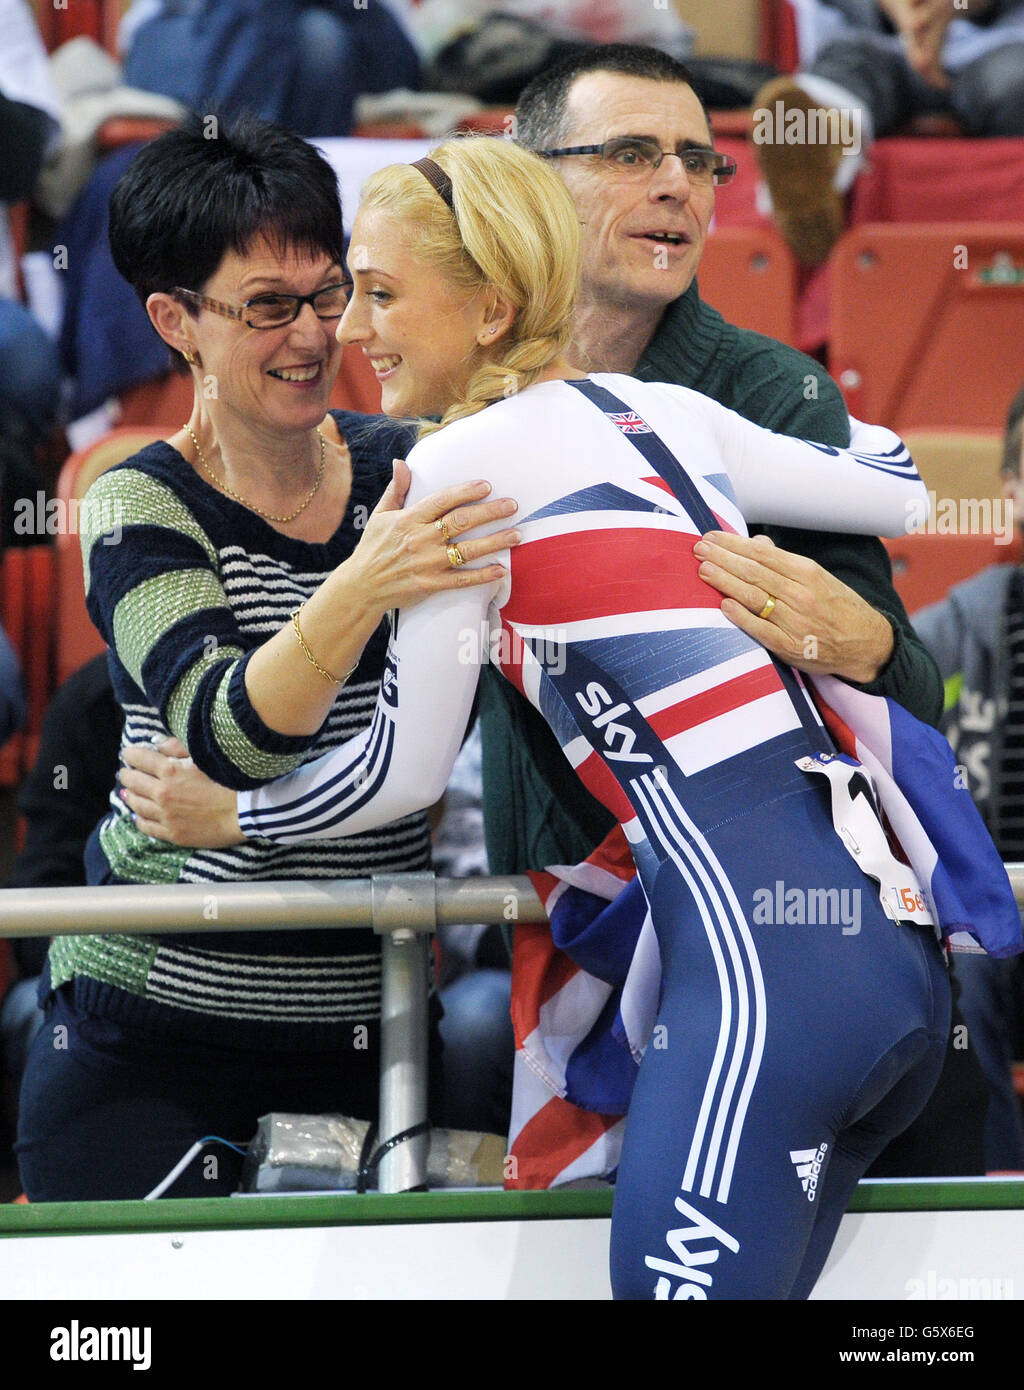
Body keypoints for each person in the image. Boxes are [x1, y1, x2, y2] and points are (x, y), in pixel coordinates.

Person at [122, 135, 974, 1300]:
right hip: (898, 968)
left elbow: (399, 778)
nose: (348, 334)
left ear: (489, 309)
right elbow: (897, 480)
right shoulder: (662, 411)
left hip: (768, 986)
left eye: (375, 294)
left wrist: (240, 807)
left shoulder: (457, 475)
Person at [14, 112, 519, 1204]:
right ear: (174, 321)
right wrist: (366, 578)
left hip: (369, 1021)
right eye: (266, 309)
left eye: (330, 294)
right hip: (145, 1034)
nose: (312, 336)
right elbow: (232, 731)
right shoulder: (135, 499)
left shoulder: (415, 465)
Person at [909, 382, 1024, 1171]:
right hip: (994, 926)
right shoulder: (944, 639)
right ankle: (996, 1221)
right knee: (966, 975)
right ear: (1012, 491)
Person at [753, 0, 1024, 264]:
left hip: (1003, 46)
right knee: (840, 76)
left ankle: (819, 144)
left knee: (1015, 84)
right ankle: (812, 168)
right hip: (871, 46)